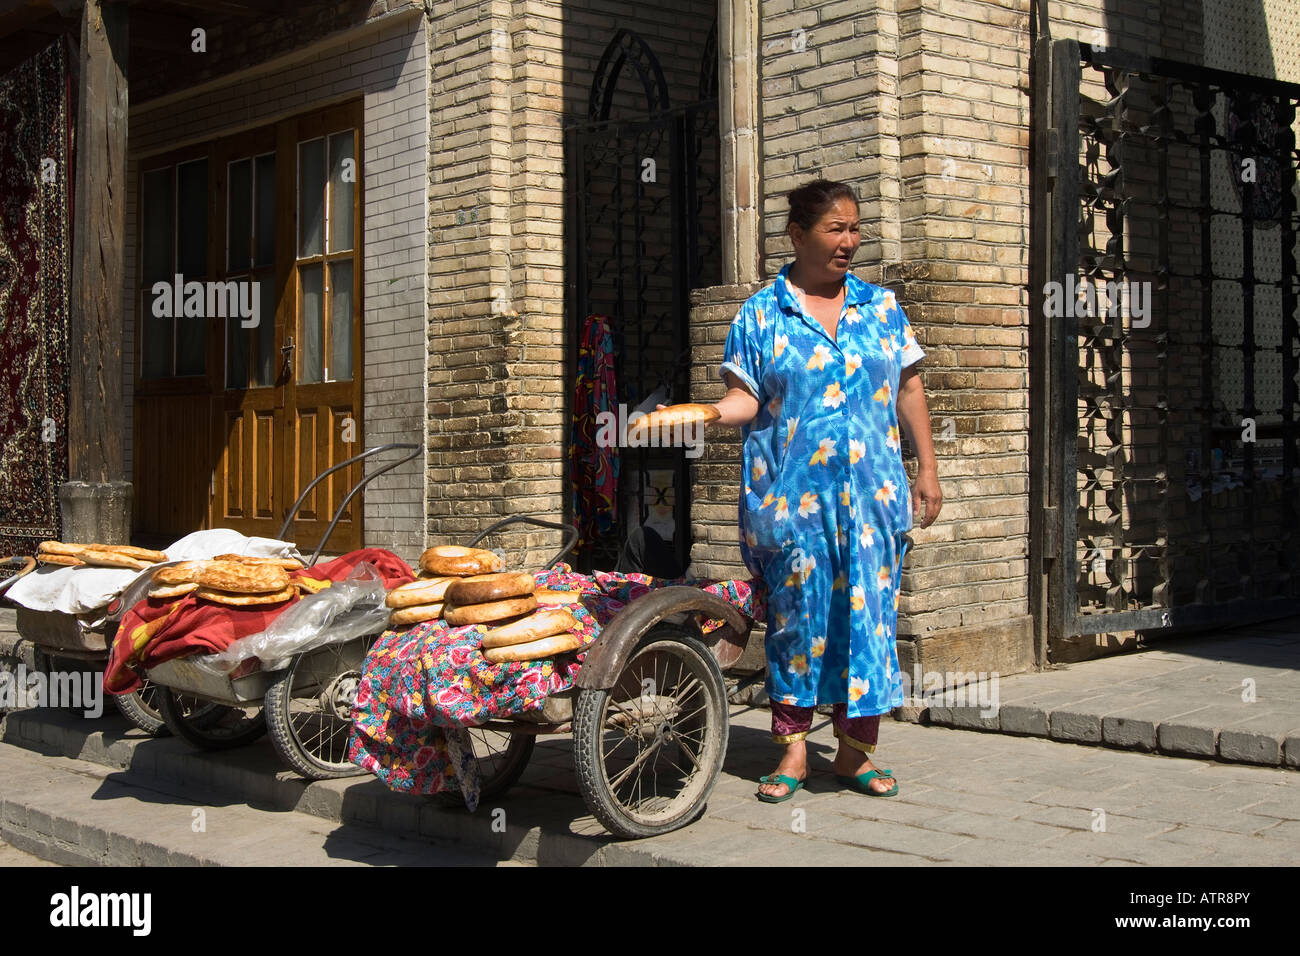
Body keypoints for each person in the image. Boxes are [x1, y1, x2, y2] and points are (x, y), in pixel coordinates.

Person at [709, 179, 942, 801]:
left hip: (873, 498)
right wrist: (706, 414)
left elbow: (908, 388)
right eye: (836, 229)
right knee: (797, 621)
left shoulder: (882, 308)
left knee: (868, 621)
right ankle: (792, 752)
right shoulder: (761, 314)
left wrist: (927, 467)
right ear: (797, 235)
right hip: (793, 501)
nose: (849, 241)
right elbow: (744, 397)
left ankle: (853, 755)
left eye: (855, 229)